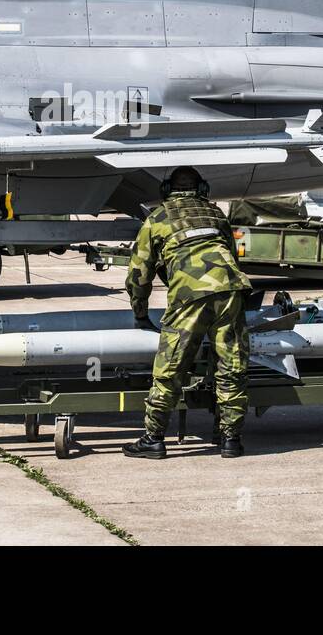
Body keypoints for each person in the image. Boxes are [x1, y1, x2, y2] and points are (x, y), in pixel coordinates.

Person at [122, 166, 253, 460]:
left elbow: (138, 275)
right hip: (230, 291)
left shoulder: (156, 219)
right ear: (202, 189)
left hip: (189, 296)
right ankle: (231, 440)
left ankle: (153, 439)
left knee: (169, 368)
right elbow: (232, 256)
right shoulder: (216, 215)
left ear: (167, 190)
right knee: (231, 366)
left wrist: (140, 312)